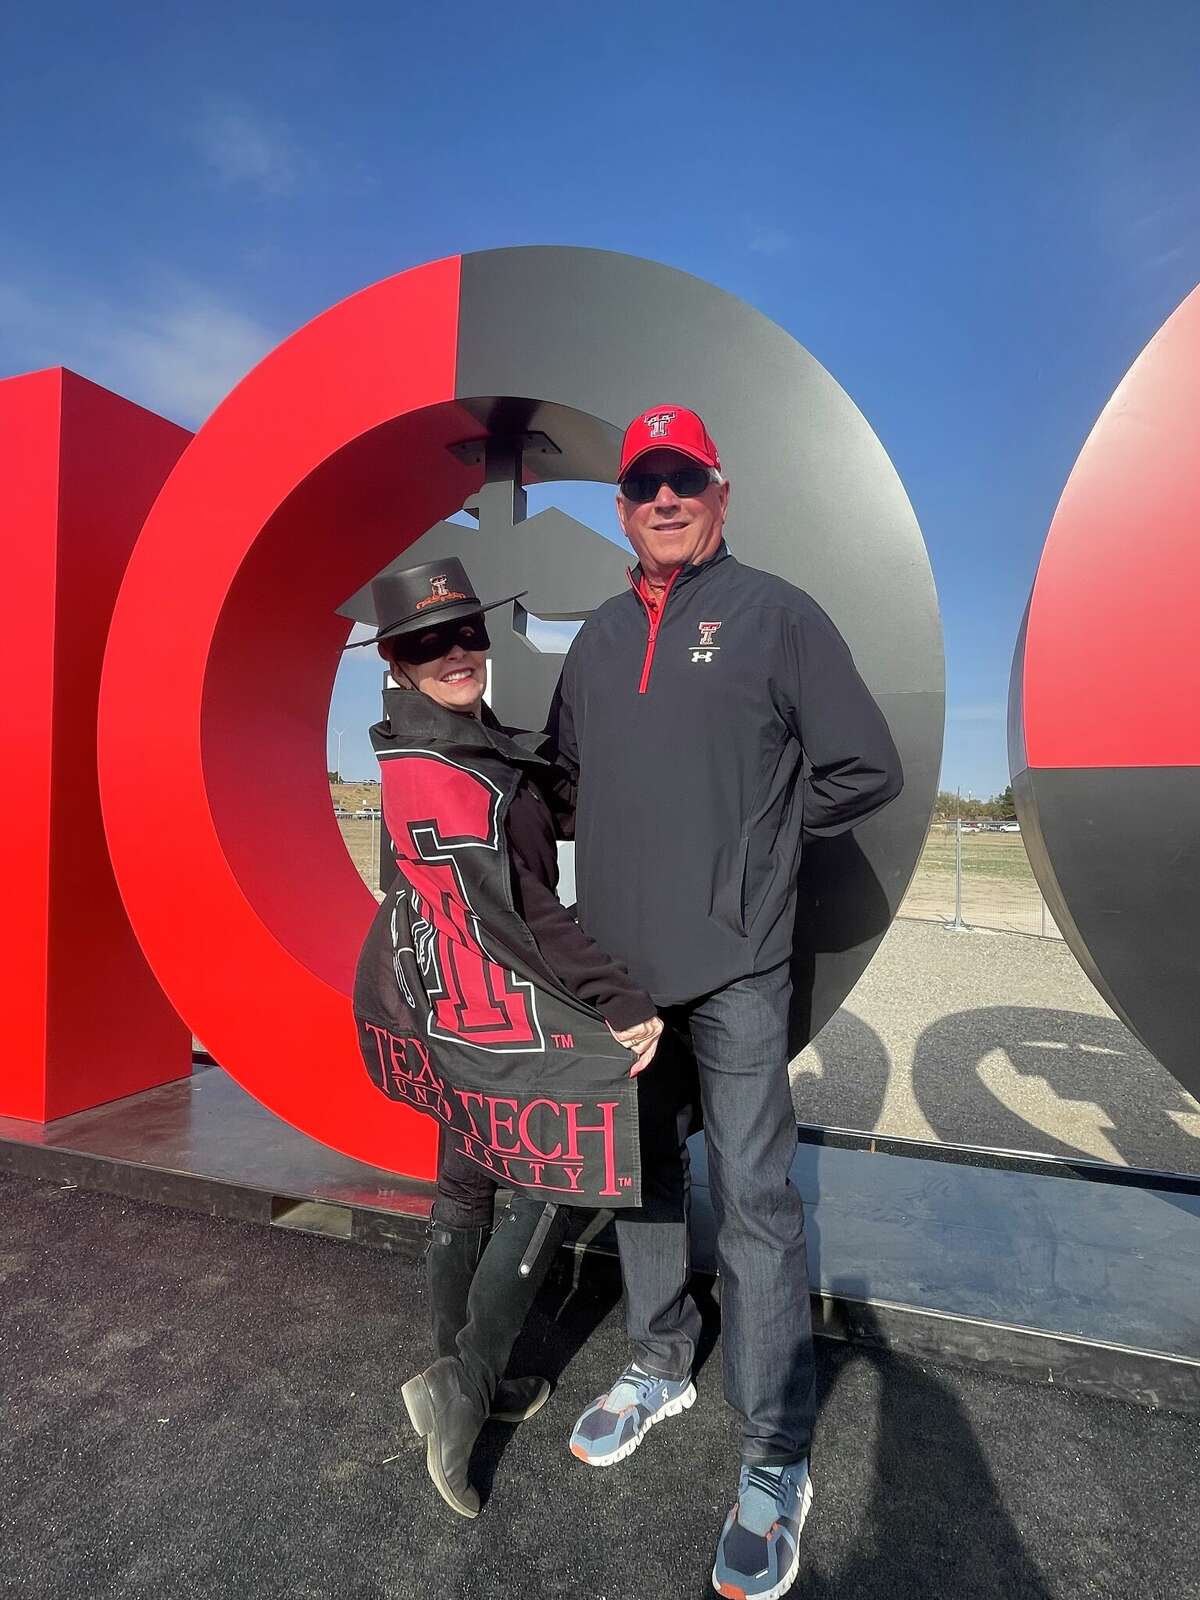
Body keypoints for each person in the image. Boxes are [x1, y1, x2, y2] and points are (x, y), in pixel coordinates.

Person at [547, 406, 903, 1599]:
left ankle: (774, 1453)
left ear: (720, 491)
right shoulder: (596, 638)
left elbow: (865, 763)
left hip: (742, 964)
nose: (663, 496)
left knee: (753, 1196)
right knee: (640, 1175)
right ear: (622, 502)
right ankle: (659, 1359)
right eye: (643, 479)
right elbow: (560, 788)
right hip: (621, 974)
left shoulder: (776, 614)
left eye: (683, 478)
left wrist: (757, 856)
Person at [347, 556, 663, 1521]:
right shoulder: (447, 769)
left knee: (467, 1178)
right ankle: (467, 1385)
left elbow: (529, 810)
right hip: (494, 999)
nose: (456, 653)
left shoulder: (440, 743)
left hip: (442, 1001)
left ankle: (455, 1374)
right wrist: (614, 999)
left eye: (466, 634)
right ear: (395, 663)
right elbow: (522, 908)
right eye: (426, 644)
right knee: (543, 1178)